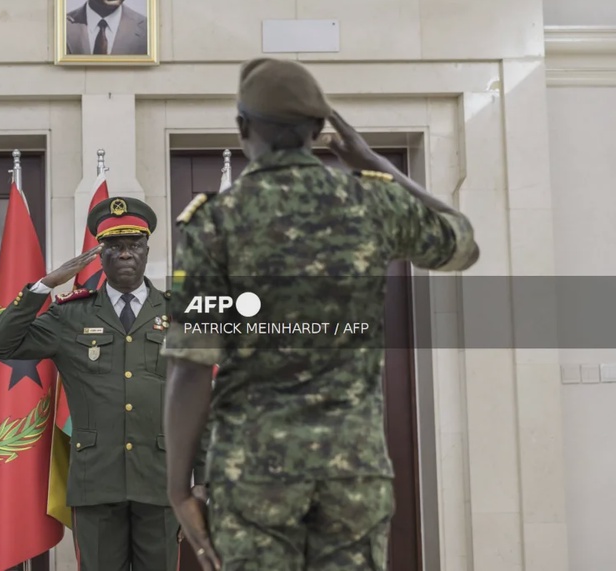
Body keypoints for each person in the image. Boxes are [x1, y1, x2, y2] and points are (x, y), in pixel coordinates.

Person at [159, 58, 481, 571]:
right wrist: (375, 162)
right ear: (317, 130)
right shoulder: (373, 203)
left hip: (254, 473)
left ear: (243, 127)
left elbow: (191, 366)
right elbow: (461, 242)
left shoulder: (216, 222)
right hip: (352, 473)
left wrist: (179, 491)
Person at [0, 196, 206, 571]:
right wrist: (43, 286)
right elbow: (1, 344)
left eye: (133, 245)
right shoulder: (70, 315)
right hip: (96, 480)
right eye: (114, 247)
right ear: (99, 256)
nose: (124, 254)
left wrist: (203, 479)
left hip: (161, 479)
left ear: (147, 250)